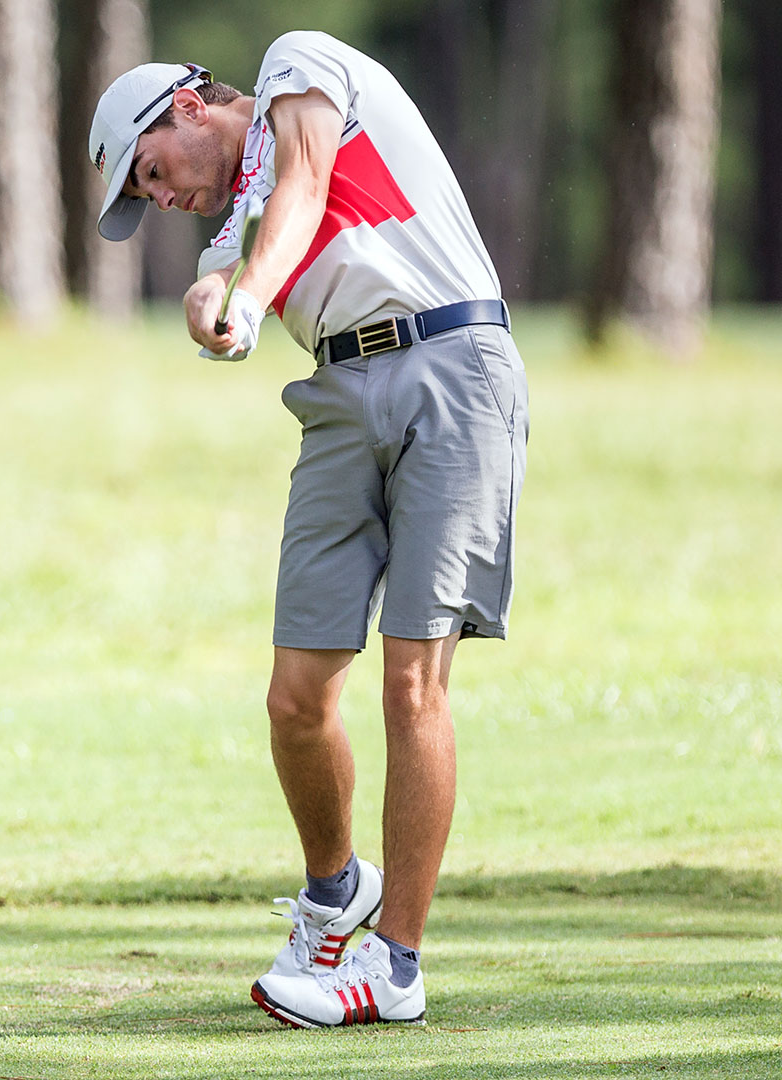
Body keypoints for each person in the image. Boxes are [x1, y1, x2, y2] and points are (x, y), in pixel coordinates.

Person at [86, 31, 530, 1028]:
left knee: (412, 678)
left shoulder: (303, 67)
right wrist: (213, 300)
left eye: (151, 173)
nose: (160, 197)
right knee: (296, 695)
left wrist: (245, 286)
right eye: (144, 197)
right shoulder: (229, 231)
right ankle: (336, 888)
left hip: (451, 363)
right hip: (338, 394)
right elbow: (224, 274)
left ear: (190, 105)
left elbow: (304, 185)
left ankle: (396, 970)